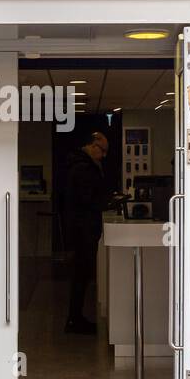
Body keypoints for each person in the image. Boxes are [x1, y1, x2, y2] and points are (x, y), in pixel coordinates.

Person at [61, 131, 110, 334]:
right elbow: (88, 199)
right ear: (92, 146)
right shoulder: (84, 169)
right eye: (102, 151)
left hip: (80, 228)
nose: (104, 155)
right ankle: (74, 319)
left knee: (81, 275)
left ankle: (75, 317)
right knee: (81, 275)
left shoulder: (78, 165)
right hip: (84, 230)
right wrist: (105, 203)